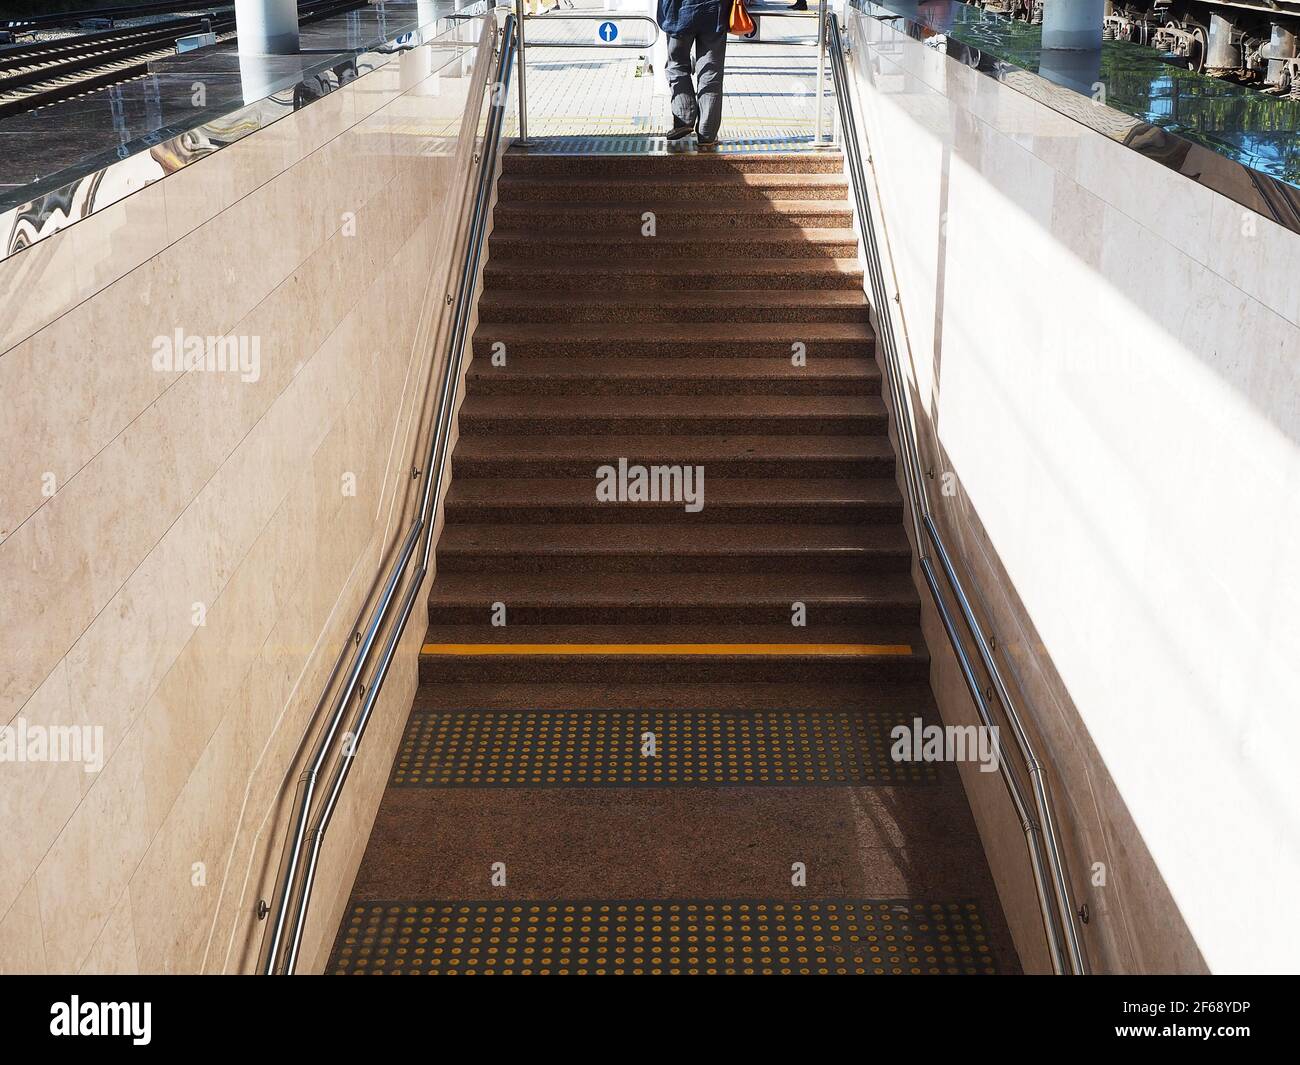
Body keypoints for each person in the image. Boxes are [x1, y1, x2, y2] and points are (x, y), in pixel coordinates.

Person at [656, 0, 728, 147]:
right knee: (711, 72)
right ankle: (707, 133)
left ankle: (684, 118)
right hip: (714, 11)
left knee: (677, 65)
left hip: (677, 12)